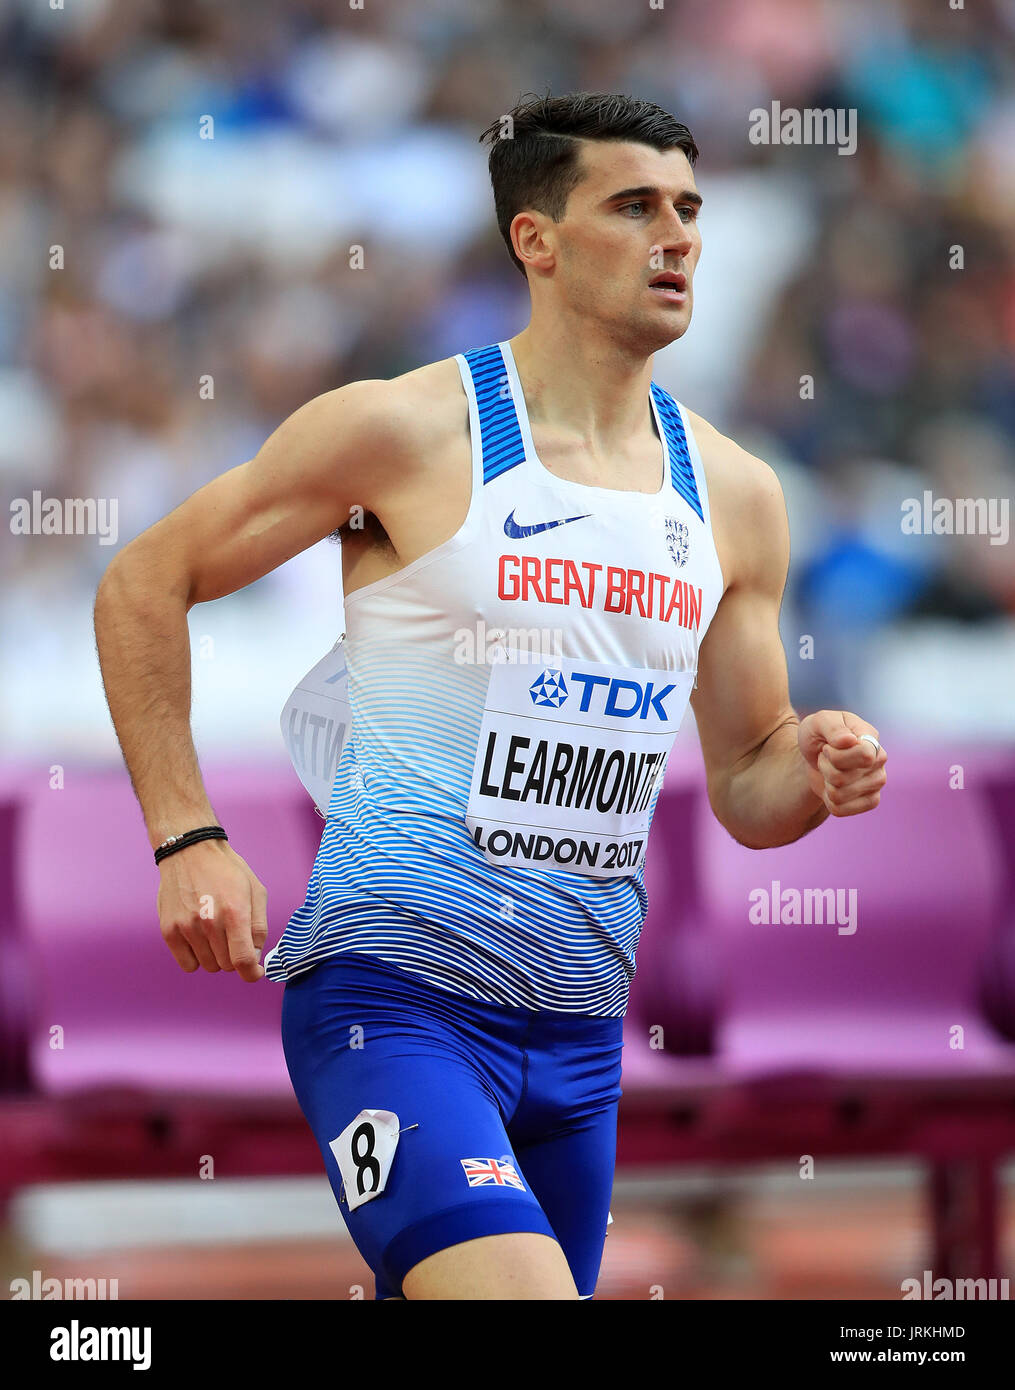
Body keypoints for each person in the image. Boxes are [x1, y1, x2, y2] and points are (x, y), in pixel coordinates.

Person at [93, 91, 888, 1300]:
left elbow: (747, 782)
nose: (677, 237)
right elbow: (143, 582)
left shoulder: (735, 494)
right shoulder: (406, 430)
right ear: (538, 240)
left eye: (687, 209)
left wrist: (816, 764)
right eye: (634, 207)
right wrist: (184, 834)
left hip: (579, 1037)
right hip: (393, 998)